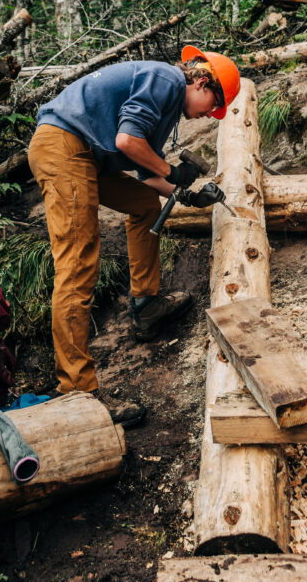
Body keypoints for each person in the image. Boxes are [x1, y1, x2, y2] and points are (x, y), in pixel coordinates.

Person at [28, 45, 239, 426]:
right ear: (202, 81)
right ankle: (77, 391)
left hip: (86, 153)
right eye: (213, 104)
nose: (210, 113)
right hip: (64, 147)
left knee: (144, 205)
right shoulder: (166, 79)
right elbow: (128, 143)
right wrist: (173, 173)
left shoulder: (167, 101)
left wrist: (187, 195)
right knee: (78, 264)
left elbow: (145, 172)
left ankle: (146, 305)